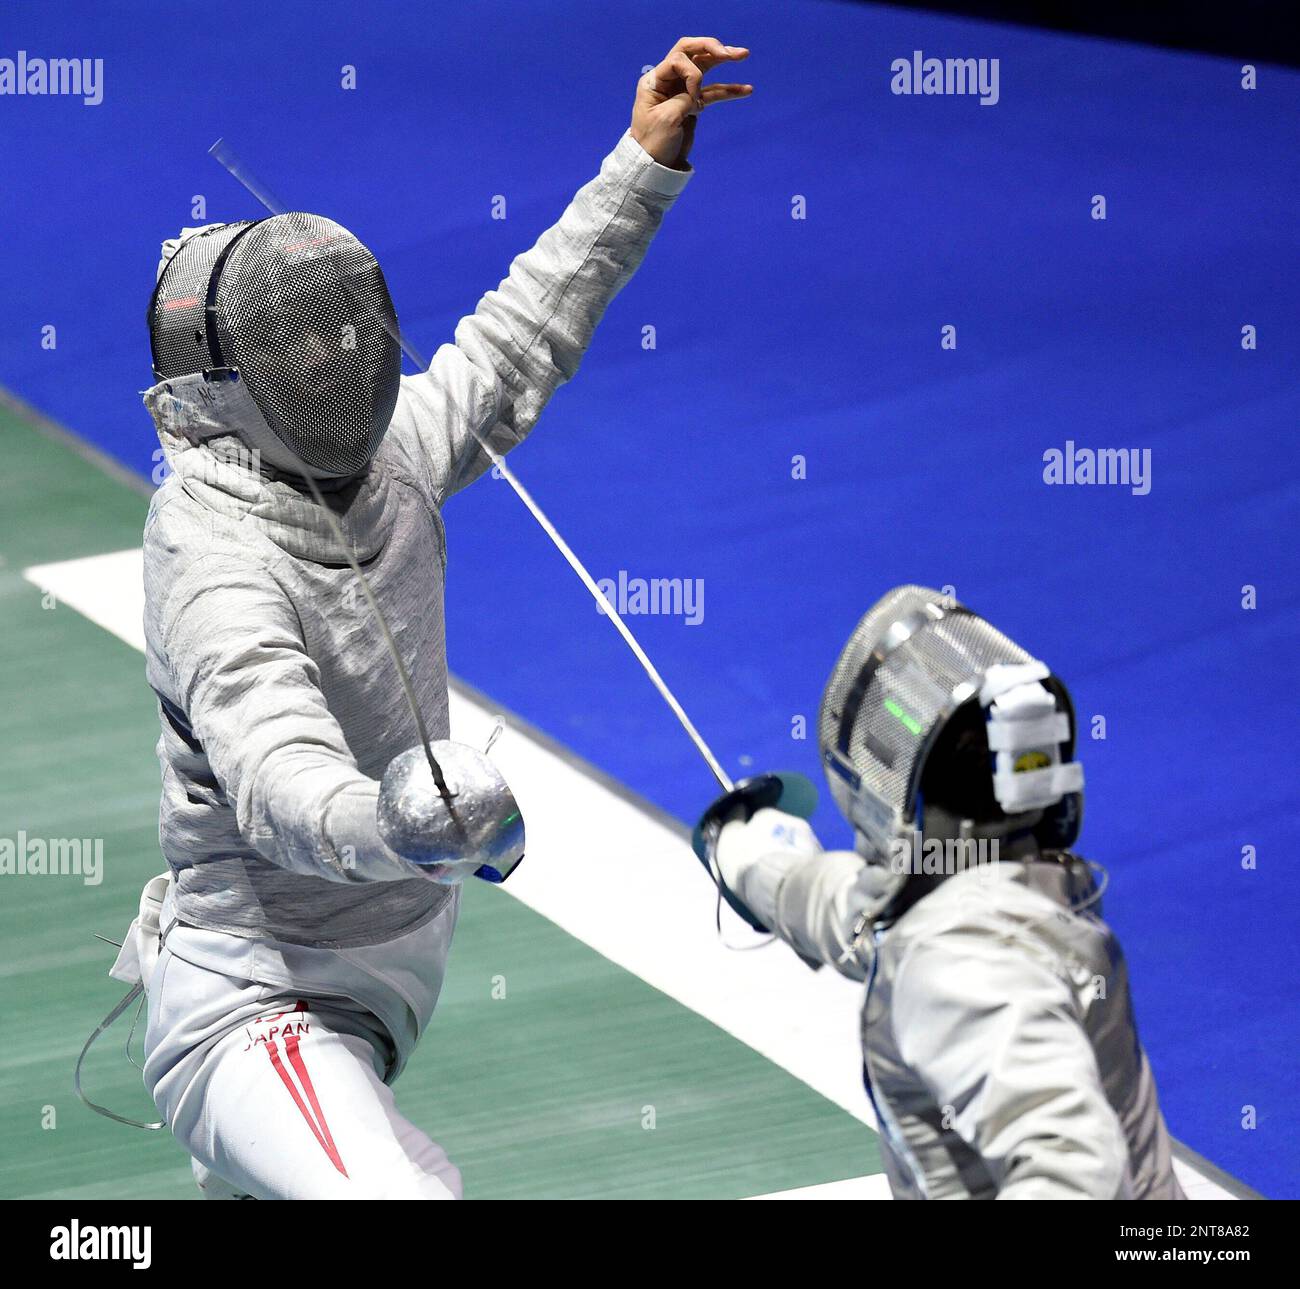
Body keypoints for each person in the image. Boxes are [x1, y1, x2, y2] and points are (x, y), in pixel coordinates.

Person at [119, 37, 754, 1200]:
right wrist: (400, 819)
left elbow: (520, 339)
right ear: (227, 383)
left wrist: (642, 164)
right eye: (292, 339)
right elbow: (275, 773)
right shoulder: (210, 550)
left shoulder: (391, 453)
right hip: (256, 996)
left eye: (336, 324)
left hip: (380, 985)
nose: (333, 354)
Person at [695, 584, 1186, 1199]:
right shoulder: (1019, 884)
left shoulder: (957, 958)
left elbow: (1073, 1165)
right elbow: (867, 919)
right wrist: (756, 865)